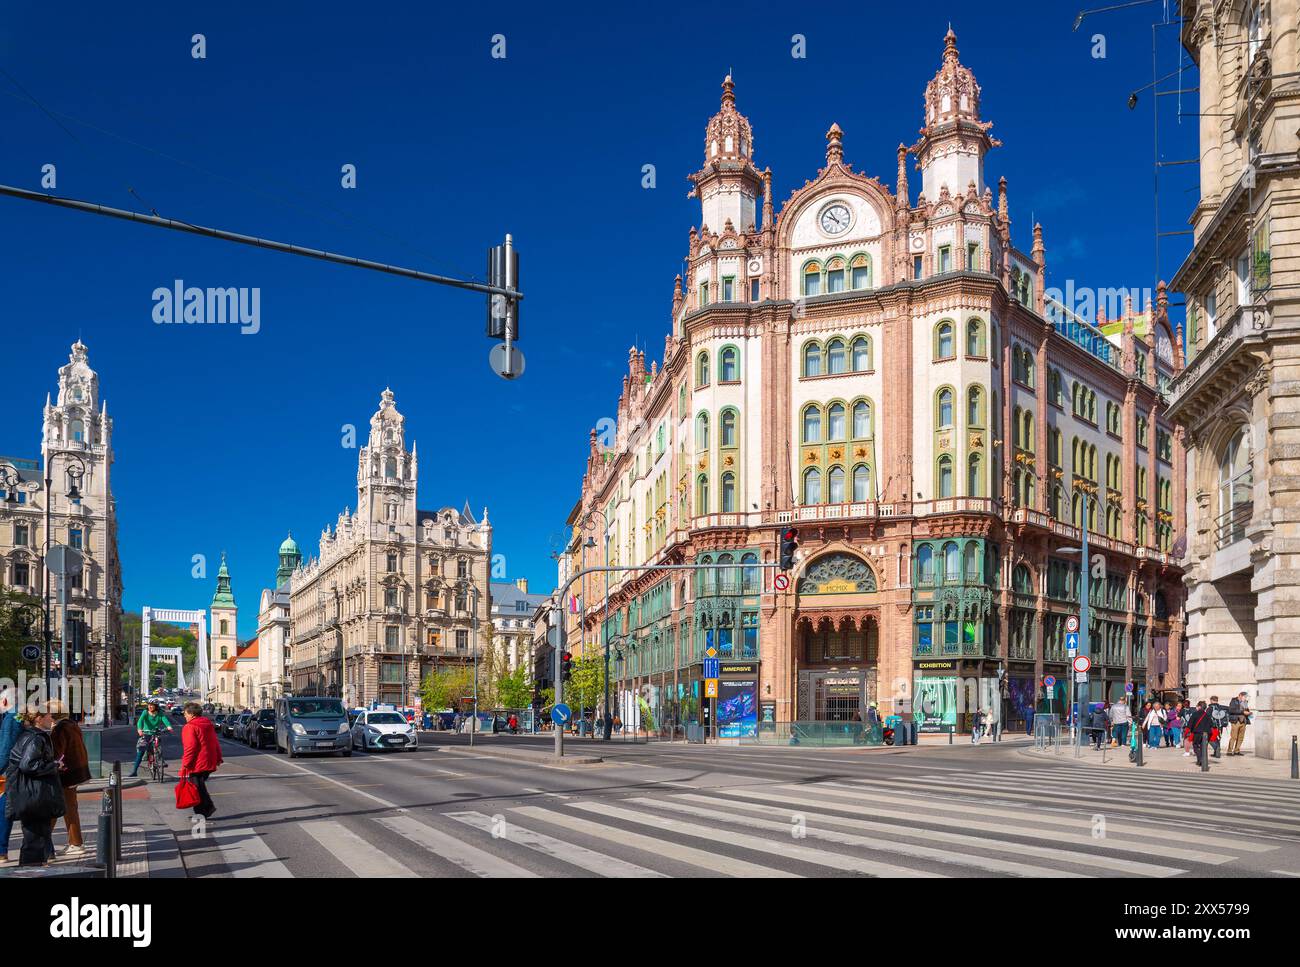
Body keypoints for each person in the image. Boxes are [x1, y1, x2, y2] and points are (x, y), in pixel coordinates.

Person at [3, 703, 64, 866]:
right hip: (34, 796)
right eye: (49, 715)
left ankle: (31, 868)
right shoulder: (36, 737)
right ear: (39, 718)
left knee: (35, 839)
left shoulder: (28, 735)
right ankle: (30, 871)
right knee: (35, 841)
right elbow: (28, 764)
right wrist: (54, 766)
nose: (51, 718)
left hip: (29, 795)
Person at [49, 701, 90, 858]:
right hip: (76, 772)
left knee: (56, 808)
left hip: (66, 773)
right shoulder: (71, 725)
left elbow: (56, 753)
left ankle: (73, 843)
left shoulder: (59, 729)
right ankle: (75, 842)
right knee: (68, 807)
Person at [178, 702, 222, 820]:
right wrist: (218, 757)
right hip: (209, 760)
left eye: (185, 714)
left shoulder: (190, 727)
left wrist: (185, 764)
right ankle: (205, 810)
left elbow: (190, 747)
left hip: (197, 762)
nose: (184, 716)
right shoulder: (207, 724)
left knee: (196, 787)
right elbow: (215, 742)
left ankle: (203, 811)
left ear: (191, 714)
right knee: (199, 786)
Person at [0, 686, 20, 867]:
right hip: (18, 772)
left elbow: (6, 750)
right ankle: (47, 850)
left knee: (3, 812)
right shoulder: (20, 715)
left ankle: (1, 851)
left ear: (5, 701)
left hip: (9, 774)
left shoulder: (10, 719)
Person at [129, 700, 174, 778]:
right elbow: (140, 721)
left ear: (156, 706)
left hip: (155, 733)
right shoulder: (145, 712)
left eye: (152, 705)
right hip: (146, 733)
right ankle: (134, 771)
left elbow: (165, 720)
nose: (150, 706)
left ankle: (161, 760)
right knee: (141, 752)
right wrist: (139, 729)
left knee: (158, 745)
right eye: (149, 705)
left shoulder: (160, 713)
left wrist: (169, 727)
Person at [1227, 692, 1252, 756]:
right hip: (1236, 721)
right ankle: (1229, 751)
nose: (1245, 698)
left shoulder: (1245, 702)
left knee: (1241, 737)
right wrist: (1243, 712)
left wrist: (1249, 713)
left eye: (1246, 697)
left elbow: (1246, 710)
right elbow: (1231, 710)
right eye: (1244, 696)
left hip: (1243, 721)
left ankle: (1237, 750)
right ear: (1240, 695)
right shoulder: (1234, 701)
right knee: (1234, 737)